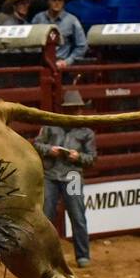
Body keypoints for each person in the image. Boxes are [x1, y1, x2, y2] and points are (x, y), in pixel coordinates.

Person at [34, 91, 96, 267]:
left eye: (77, 109)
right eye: (72, 109)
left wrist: (79, 157)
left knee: (77, 216)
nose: (75, 112)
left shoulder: (86, 132)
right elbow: (37, 144)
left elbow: (91, 158)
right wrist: (49, 150)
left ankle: (82, 255)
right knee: (46, 217)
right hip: (52, 175)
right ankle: (44, 257)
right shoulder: (50, 126)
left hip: (72, 175)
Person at [31, 0, 88, 67]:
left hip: (61, 65)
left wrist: (67, 61)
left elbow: (82, 45)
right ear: (48, 1)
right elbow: (31, 42)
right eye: (54, 0)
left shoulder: (72, 20)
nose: (57, 3)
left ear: (64, 2)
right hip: (40, 64)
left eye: (60, 0)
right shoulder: (38, 18)